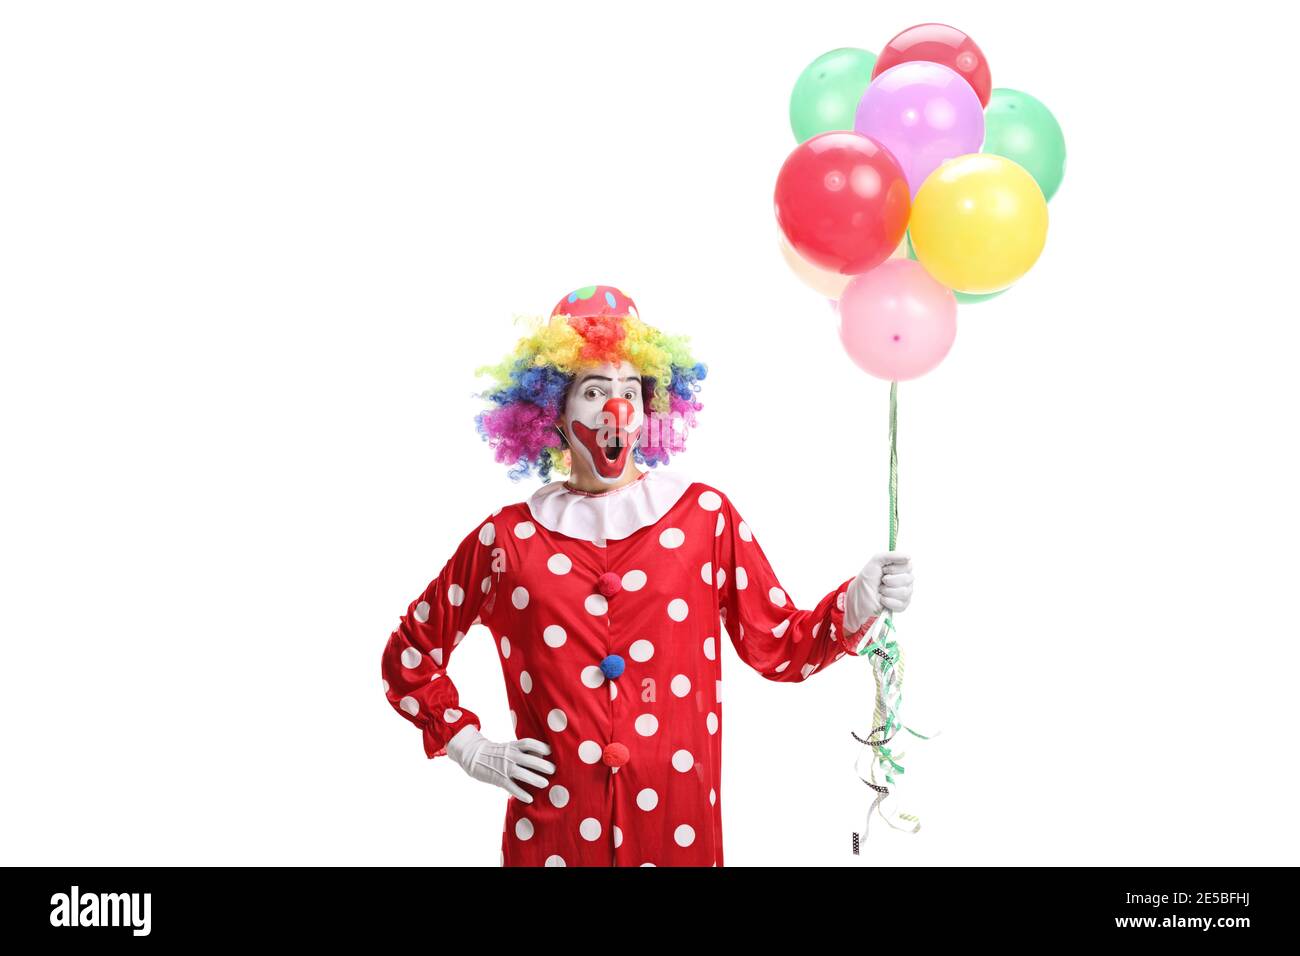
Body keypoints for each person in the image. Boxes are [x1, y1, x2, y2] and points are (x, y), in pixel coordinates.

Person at [380, 284, 914, 866]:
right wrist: (470, 747)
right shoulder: (506, 539)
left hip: (675, 831)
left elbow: (778, 645)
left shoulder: (703, 517)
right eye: (592, 390)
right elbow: (409, 656)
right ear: (551, 410)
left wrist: (856, 602)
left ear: (652, 406)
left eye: (630, 389)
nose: (615, 408)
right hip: (553, 836)